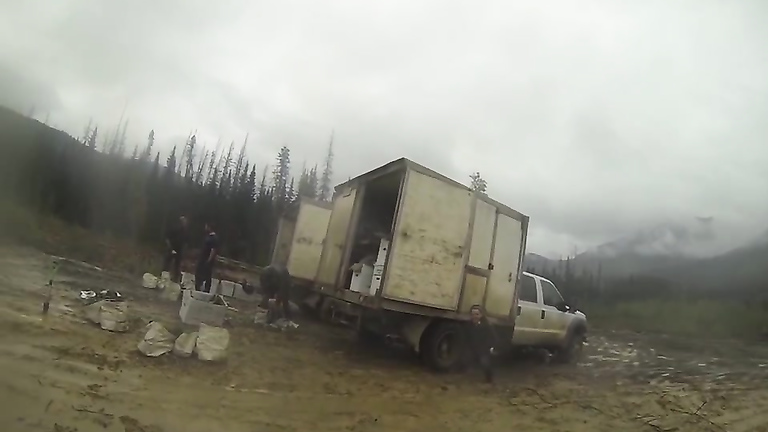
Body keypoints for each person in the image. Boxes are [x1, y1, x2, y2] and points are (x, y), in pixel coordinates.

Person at [467, 305, 498, 383]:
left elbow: (493, 337)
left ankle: (489, 379)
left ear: (481, 315)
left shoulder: (487, 325)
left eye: (477, 314)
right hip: (474, 347)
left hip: (484, 348)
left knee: (485, 363)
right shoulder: (469, 325)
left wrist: (491, 347)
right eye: (473, 314)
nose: (475, 316)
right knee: (469, 359)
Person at [195, 222, 219, 293]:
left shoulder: (214, 238)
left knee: (207, 275)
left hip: (207, 260)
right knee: (200, 273)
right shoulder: (208, 237)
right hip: (203, 259)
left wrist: (209, 260)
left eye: (206, 226)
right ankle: (199, 287)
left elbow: (213, 250)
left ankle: (206, 289)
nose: (205, 228)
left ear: (209, 227)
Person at [163, 216, 188, 283]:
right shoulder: (175, 228)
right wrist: (170, 248)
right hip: (172, 247)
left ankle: (175, 280)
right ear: (181, 222)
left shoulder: (185, 231)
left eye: (185, 222)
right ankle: (164, 278)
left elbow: (185, 242)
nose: (185, 223)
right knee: (167, 264)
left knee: (177, 265)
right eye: (184, 221)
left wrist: (183, 250)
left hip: (179, 250)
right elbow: (167, 238)